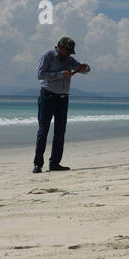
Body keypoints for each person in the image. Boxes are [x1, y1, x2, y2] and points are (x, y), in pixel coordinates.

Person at [33, 36, 90, 173]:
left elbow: (84, 69)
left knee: (60, 132)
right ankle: (38, 164)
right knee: (43, 131)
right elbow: (40, 75)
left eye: (71, 53)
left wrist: (84, 68)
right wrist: (59, 74)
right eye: (67, 51)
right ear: (60, 47)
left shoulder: (69, 59)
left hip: (63, 99)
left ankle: (55, 163)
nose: (69, 55)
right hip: (48, 97)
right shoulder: (48, 56)